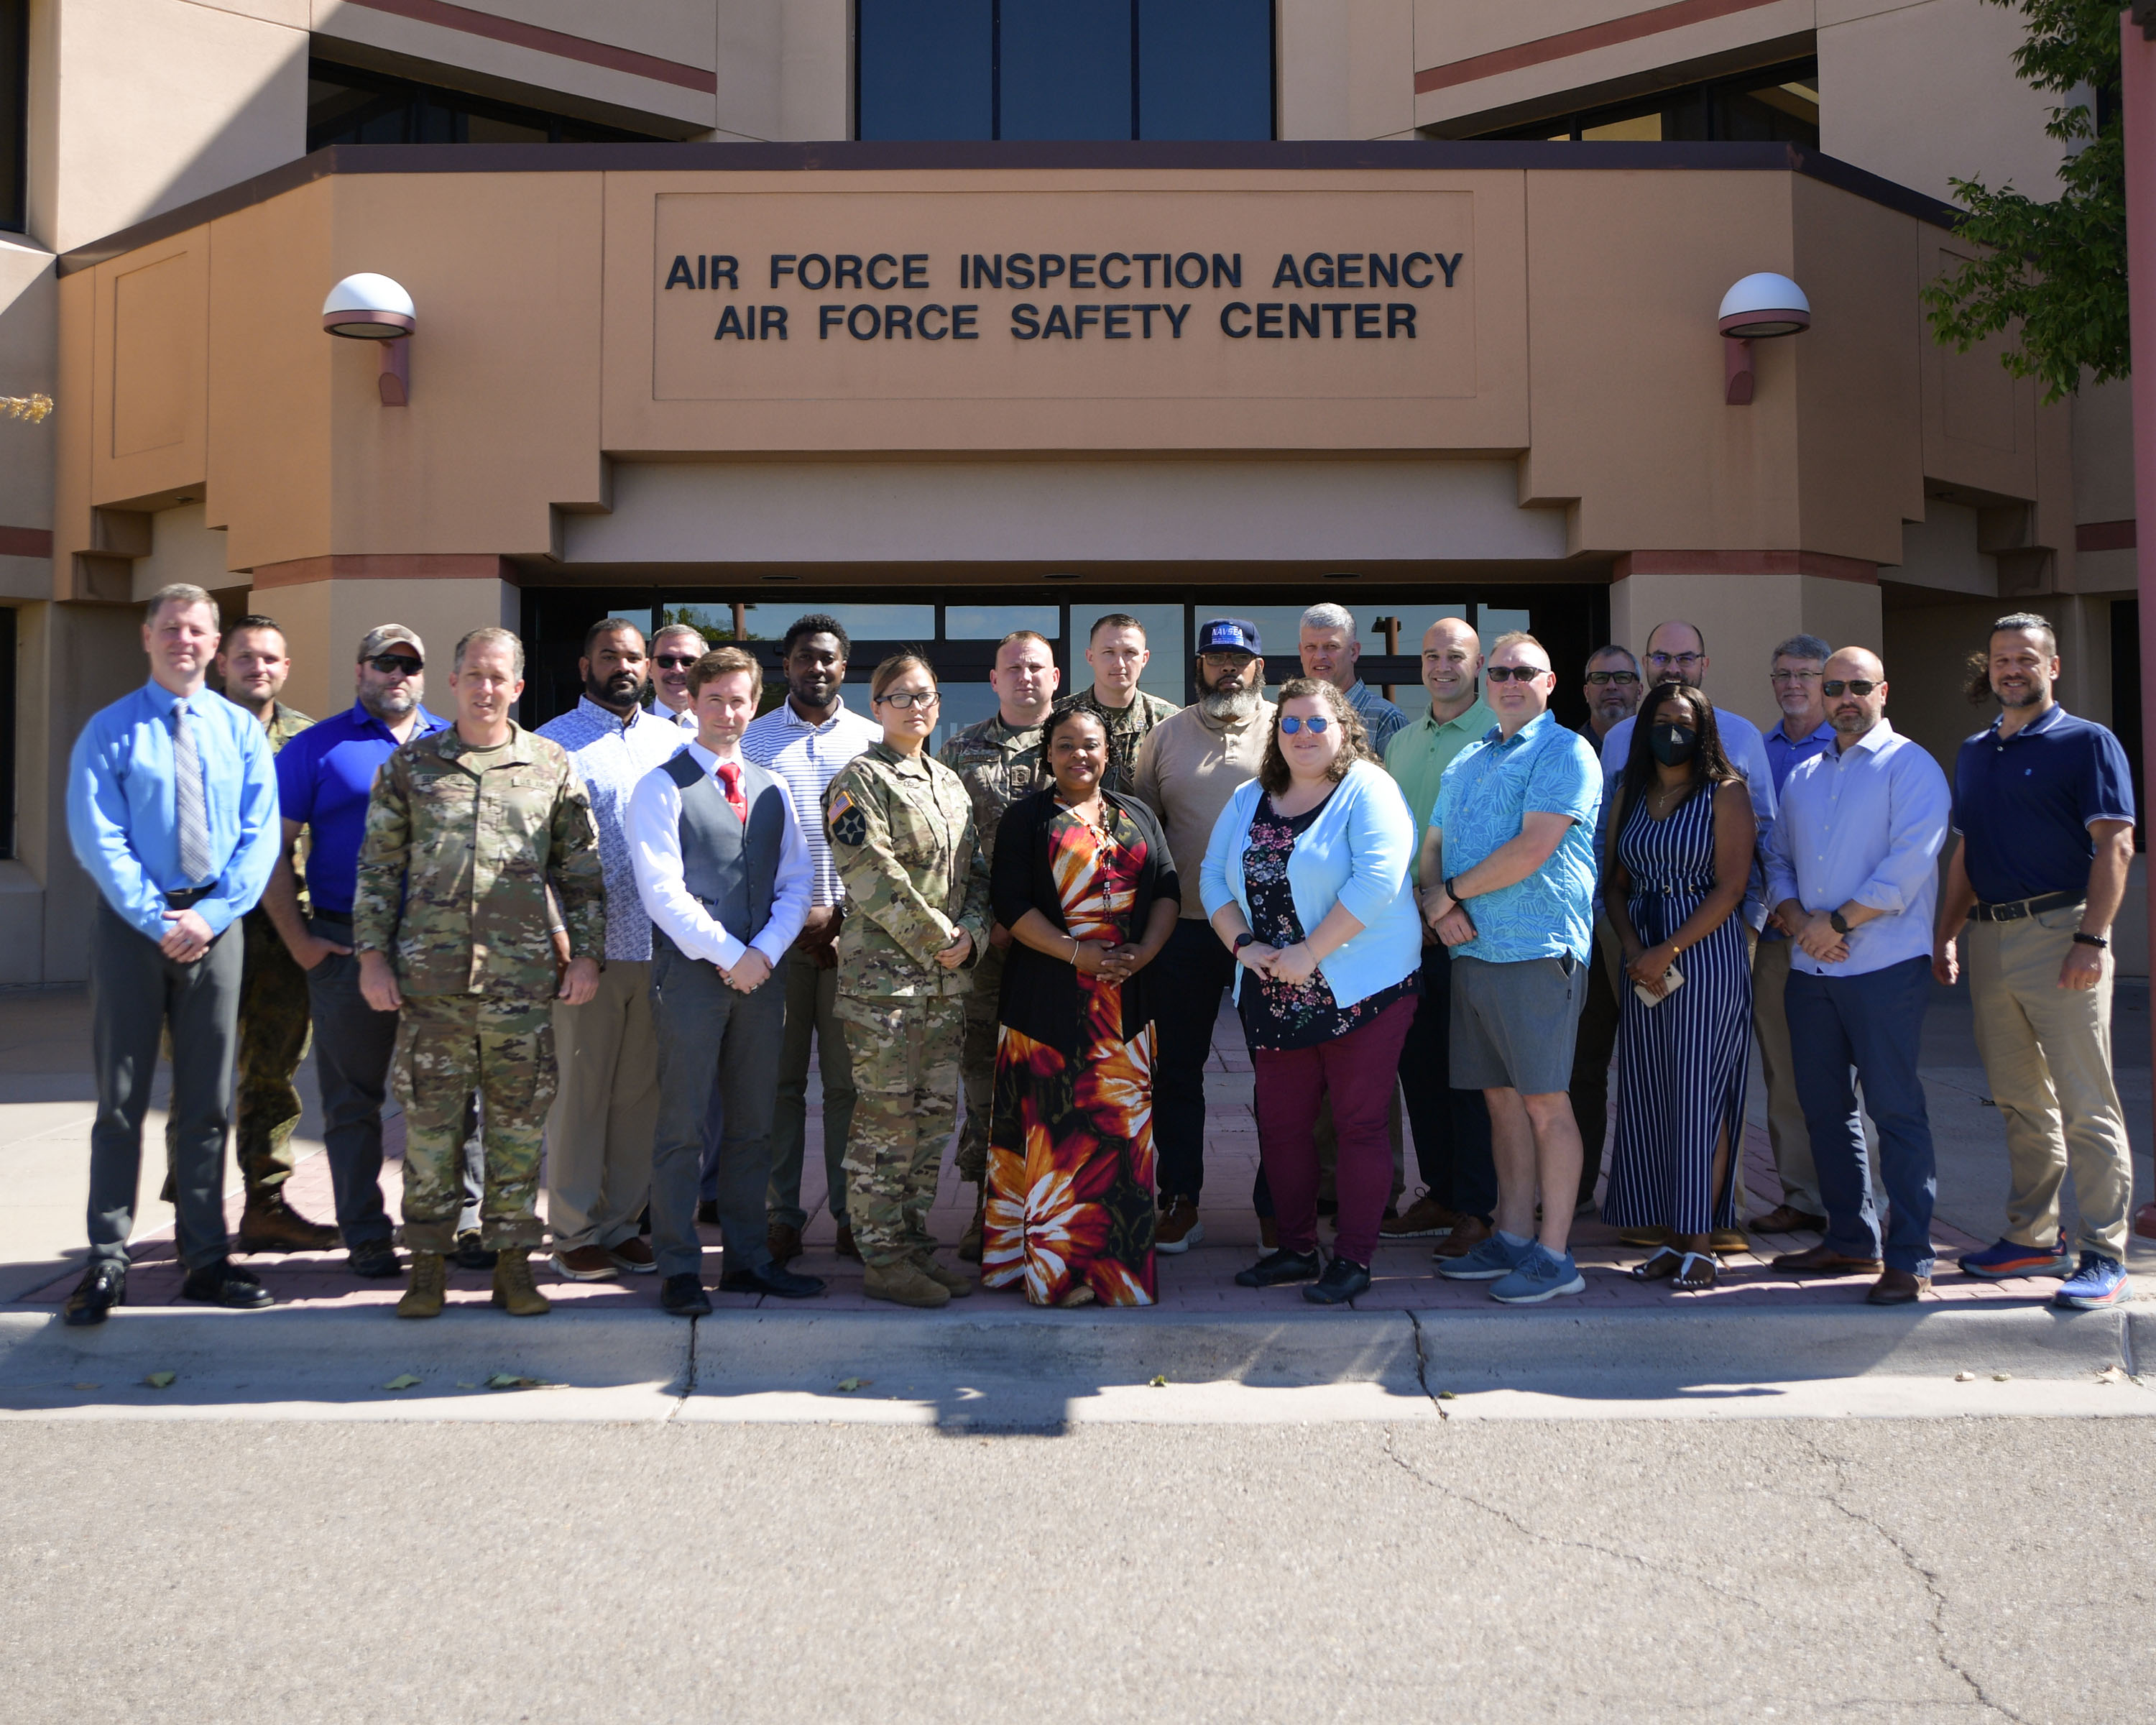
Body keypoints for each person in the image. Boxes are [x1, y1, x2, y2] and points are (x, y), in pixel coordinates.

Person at [354, 627, 606, 1320]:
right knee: (432, 1131)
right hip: (430, 985)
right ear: (454, 682)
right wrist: (372, 957)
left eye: (500, 677)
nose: (486, 688)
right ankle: (428, 1265)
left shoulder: (551, 765)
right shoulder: (412, 766)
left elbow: (580, 874)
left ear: (518, 687)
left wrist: (586, 955)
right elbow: (379, 870)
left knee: (518, 1131)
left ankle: (512, 1265)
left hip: (522, 987)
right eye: (474, 675)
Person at [62, 584, 283, 1325]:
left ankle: (205, 1257)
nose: (184, 640)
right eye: (170, 628)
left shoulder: (239, 732)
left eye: (197, 630)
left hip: (217, 927)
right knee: (121, 1102)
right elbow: (98, 834)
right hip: (134, 929)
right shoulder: (109, 731)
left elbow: (261, 835)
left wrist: (212, 915)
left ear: (214, 645)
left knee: (208, 1103)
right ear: (147, 637)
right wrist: (158, 917)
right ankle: (108, 1259)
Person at [1936, 613, 2137, 1310]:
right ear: (1987, 668)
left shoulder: (2087, 742)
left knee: (2086, 1102)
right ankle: (2033, 1236)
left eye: (2025, 658)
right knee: (2022, 1100)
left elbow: (2115, 844)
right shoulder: (1975, 750)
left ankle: (2104, 1252)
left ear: (2053, 667)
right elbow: (1967, 852)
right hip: (1992, 938)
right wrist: (1946, 934)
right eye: (2000, 659)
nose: (2011, 669)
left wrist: (2093, 938)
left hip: (2063, 937)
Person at [1204, 680, 1422, 1303]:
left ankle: (1352, 1259)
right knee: (1282, 1127)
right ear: (1276, 733)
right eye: (1290, 724)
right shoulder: (1251, 797)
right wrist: (1243, 945)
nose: (1303, 735)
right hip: (1274, 986)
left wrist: (1310, 952)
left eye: (1316, 723)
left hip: (1364, 988)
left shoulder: (1369, 789)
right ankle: (1296, 1250)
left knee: (1357, 1126)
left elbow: (1379, 878)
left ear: (1343, 728)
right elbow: (1212, 877)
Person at [632, 647, 821, 1315]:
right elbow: (662, 891)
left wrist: (764, 953)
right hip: (691, 979)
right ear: (692, 700)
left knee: (752, 1126)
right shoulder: (661, 786)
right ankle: (679, 1266)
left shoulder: (771, 786)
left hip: (762, 977)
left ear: (754, 703)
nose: (728, 712)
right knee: (682, 1126)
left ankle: (747, 1261)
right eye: (715, 699)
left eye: (740, 700)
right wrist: (727, 954)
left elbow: (796, 882)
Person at [263, 626, 456, 1279]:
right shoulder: (314, 748)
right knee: (353, 1101)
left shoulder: (454, 744)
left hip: (440, 949)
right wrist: (302, 944)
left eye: (410, 663)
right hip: (345, 946)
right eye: (385, 662)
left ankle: (446, 1224)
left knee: (451, 1096)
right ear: (360, 671)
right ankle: (366, 1231)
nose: (397, 673)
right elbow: (272, 854)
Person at [1764, 646, 1950, 1305]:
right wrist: (1792, 914)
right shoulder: (1805, 775)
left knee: (1895, 1111)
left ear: (1883, 691)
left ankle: (1910, 1255)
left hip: (1883, 967)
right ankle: (1849, 1238)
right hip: (1811, 967)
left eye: (1858, 687)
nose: (1845, 697)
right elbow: (1777, 857)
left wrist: (1835, 923)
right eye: (1834, 686)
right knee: (1823, 1108)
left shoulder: (1912, 767)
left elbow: (1909, 866)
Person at [1424, 632, 1603, 1305]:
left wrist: (1452, 894)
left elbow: (1534, 846)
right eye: (1498, 671)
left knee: (1545, 1104)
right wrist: (1437, 906)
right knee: (1500, 1105)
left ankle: (1556, 1255)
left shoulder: (1565, 751)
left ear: (1549, 682)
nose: (1509, 681)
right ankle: (1513, 1235)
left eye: (1523, 671)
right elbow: (1433, 844)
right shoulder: (1469, 757)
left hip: (1537, 951)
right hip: (1472, 951)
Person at [984, 704, 1181, 1305]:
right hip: (1047, 1005)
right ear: (1047, 753)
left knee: (1119, 1141)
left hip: (1126, 1001)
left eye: (1090, 745)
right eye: (1065, 744)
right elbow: (1010, 905)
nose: (1079, 755)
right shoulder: (1026, 819)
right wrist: (1078, 956)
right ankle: (1057, 1275)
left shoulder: (1137, 813)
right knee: (1059, 1139)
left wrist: (1144, 951)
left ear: (1109, 752)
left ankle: (1116, 1272)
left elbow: (1169, 887)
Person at [825, 653, 992, 1309]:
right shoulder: (857, 781)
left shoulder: (949, 783)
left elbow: (977, 871)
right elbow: (872, 874)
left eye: (924, 695)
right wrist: (941, 938)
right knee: (884, 1121)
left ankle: (915, 1245)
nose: (914, 706)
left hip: (945, 985)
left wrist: (972, 935)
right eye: (899, 697)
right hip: (884, 988)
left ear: (939, 704)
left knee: (930, 1122)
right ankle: (882, 1257)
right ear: (877, 708)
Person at [536, 619, 685, 1282]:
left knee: (637, 1099)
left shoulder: (674, 740)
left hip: (662, 951)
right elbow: (532, 861)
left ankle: (623, 1223)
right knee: (580, 1097)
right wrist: (568, 948)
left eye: (634, 657)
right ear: (584, 665)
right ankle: (572, 1231)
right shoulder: (549, 745)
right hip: (589, 956)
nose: (623, 667)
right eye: (609, 656)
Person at [1601, 683, 1757, 1291]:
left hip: (1705, 957)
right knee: (1652, 1100)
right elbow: (1614, 882)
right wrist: (1637, 950)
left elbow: (1732, 887)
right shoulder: (1631, 795)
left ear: (1705, 728)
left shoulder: (1727, 792)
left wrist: (1669, 947)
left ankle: (1701, 1243)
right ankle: (1669, 1237)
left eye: (1685, 721)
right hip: (1643, 962)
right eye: (1662, 720)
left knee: (1700, 1098)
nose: (1673, 730)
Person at [1131, 617, 1277, 1251]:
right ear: (1199, 667)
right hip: (1188, 930)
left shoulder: (1288, 729)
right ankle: (1180, 1197)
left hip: (1272, 940)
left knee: (1277, 1075)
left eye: (1239, 660)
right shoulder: (1163, 738)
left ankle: (1279, 1205)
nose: (1228, 670)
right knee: (1178, 1074)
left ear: (1258, 667)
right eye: (1216, 659)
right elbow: (1144, 831)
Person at [193, 614, 336, 1254]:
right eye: (245, 657)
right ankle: (196, 1220)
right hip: (202, 932)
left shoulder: (306, 740)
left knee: (274, 1074)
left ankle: (265, 1206)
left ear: (286, 668)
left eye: (271, 659)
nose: (259, 668)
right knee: (197, 1078)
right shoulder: (182, 732)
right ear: (222, 663)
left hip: (282, 933)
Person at [743, 612, 882, 1265]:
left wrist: (846, 917)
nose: (816, 668)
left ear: (843, 667)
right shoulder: (753, 739)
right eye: (804, 658)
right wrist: (789, 920)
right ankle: (782, 1214)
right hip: (777, 939)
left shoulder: (875, 739)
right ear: (787, 665)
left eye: (827, 658)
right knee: (781, 1084)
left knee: (849, 1086)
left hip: (857, 939)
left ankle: (854, 1214)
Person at [1378, 617, 1497, 1254]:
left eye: (1455, 656)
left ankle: (1480, 1205)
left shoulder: (1499, 735)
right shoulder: (1402, 742)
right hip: (1410, 934)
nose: (1441, 667)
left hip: (1469, 928)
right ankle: (1444, 1195)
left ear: (1477, 666)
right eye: (1430, 656)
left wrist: (1442, 904)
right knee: (1419, 1070)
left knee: (1471, 1075)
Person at [939, 630, 1059, 1260]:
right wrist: (991, 921)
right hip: (989, 944)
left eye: (1036, 667)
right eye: (1013, 668)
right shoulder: (960, 751)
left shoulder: (1077, 744)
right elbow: (953, 851)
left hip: (1061, 944)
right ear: (994, 680)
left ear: (1056, 676)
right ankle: (989, 1206)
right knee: (984, 1076)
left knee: (1055, 1077)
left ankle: (1053, 1206)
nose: (1025, 677)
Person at [1750, 633, 1837, 1236]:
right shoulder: (1758, 747)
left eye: (1806, 674)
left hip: (1837, 938)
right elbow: (1752, 838)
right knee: (1784, 1073)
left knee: (1843, 1076)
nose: (1793, 684)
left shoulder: (1850, 744)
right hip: (1775, 936)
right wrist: (1776, 908)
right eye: (1783, 673)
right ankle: (1802, 1196)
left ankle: (1857, 1200)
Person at [1563, 644, 1644, 1220]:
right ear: (1584, 689)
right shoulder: (1560, 751)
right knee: (1580, 1070)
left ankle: (1646, 1193)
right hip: (1576, 934)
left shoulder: (1663, 745)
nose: (1612, 687)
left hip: (1646, 931)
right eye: (1600, 679)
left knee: (1649, 1067)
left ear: (1638, 687)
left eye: (1623, 678)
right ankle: (1580, 1187)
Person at [1058, 612, 1182, 799]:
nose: (1119, 664)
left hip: (1146, 826)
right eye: (1109, 652)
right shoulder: (1060, 716)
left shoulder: (1169, 722)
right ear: (1090, 657)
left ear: (1145, 658)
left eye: (1130, 653)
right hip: (1073, 826)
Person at [1299, 601, 1406, 753]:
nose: (1320, 656)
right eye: (1311, 647)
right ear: (1301, 652)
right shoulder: (1291, 718)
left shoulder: (1384, 719)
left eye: (1331, 646)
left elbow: (1398, 778)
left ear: (1354, 652)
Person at [649, 622, 706, 730]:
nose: (677, 670)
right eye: (666, 661)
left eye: (689, 661)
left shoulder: (727, 730)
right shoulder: (626, 730)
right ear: (650, 668)